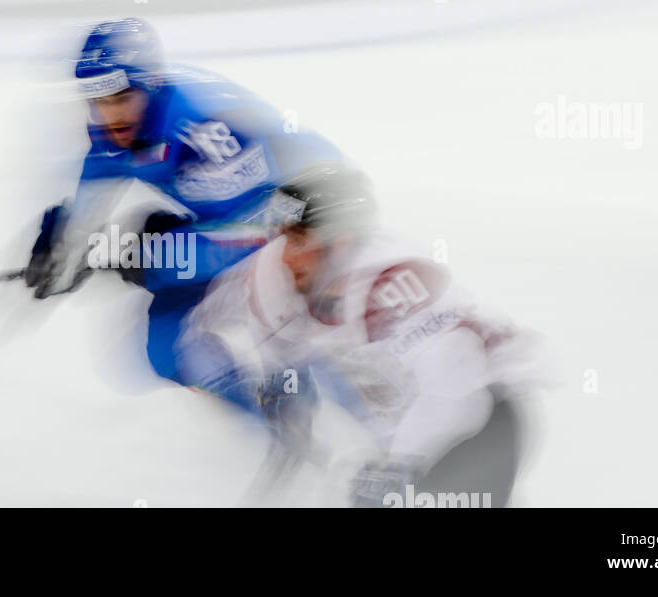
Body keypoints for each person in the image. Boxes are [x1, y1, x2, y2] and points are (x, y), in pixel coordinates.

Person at [23, 18, 367, 390]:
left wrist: (157, 255)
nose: (111, 115)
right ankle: (272, 419)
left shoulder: (202, 125)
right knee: (164, 353)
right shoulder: (111, 131)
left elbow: (260, 229)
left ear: (150, 86)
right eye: (98, 101)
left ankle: (327, 394)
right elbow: (92, 197)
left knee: (285, 332)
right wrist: (62, 244)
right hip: (228, 225)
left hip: (310, 218)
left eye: (122, 98)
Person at [178, 164, 548, 506]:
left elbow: (453, 388)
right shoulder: (272, 275)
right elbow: (240, 332)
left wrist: (399, 468)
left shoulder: (389, 279)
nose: (286, 257)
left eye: (300, 241)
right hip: (407, 425)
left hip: (480, 420)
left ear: (340, 243)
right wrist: (283, 392)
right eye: (283, 238)